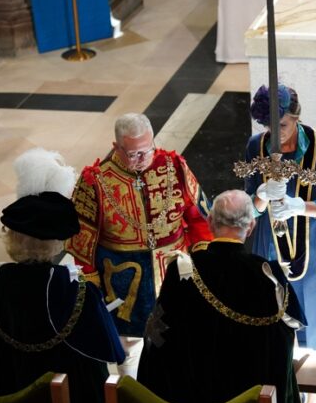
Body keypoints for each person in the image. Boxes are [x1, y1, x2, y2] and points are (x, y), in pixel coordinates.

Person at [137, 190, 305, 403]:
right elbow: (283, 348)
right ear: (251, 226)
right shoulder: (270, 276)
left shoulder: (183, 271)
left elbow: (157, 341)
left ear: (209, 222)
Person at [65, 113, 212, 375]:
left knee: (180, 343)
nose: (142, 159)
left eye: (148, 150)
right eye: (133, 154)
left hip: (174, 275)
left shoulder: (174, 165)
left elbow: (199, 219)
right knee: (129, 352)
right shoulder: (95, 182)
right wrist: (93, 288)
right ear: (116, 147)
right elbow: (82, 245)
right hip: (123, 284)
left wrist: (203, 260)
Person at [0, 148, 124, 403]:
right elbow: (110, 350)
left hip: (18, 391)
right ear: (56, 242)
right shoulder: (74, 288)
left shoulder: (0, 279)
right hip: (70, 397)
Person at [245, 84, 316, 353]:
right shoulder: (256, 146)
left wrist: (299, 206)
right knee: (273, 315)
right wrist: (260, 196)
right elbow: (250, 210)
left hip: (314, 243)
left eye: (283, 125)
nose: (276, 135)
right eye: (269, 127)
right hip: (271, 243)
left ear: (296, 116)